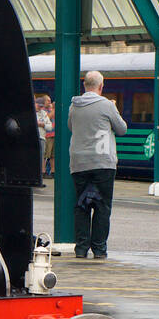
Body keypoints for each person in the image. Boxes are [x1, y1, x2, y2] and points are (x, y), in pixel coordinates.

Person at [67, 71, 127, 259]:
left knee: (81, 205)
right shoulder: (107, 105)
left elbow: (71, 126)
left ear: (85, 85)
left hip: (79, 163)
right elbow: (122, 129)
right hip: (102, 163)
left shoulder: (74, 105)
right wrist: (113, 110)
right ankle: (99, 249)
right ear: (101, 87)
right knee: (102, 207)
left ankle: (81, 248)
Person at [35, 97, 52, 179]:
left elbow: (50, 127)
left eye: (42, 106)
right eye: (39, 106)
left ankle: (40, 174)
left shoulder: (44, 113)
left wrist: (42, 124)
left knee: (41, 157)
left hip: (42, 138)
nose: (40, 108)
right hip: (33, 138)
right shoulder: (31, 113)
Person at [43, 96, 55, 177]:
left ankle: (53, 172)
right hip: (47, 135)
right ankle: (43, 172)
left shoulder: (51, 110)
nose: (49, 102)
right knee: (46, 155)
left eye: (50, 100)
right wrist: (54, 109)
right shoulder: (42, 111)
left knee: (53, 156)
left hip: (54, 134)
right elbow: (48, 117)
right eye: (48, 100)